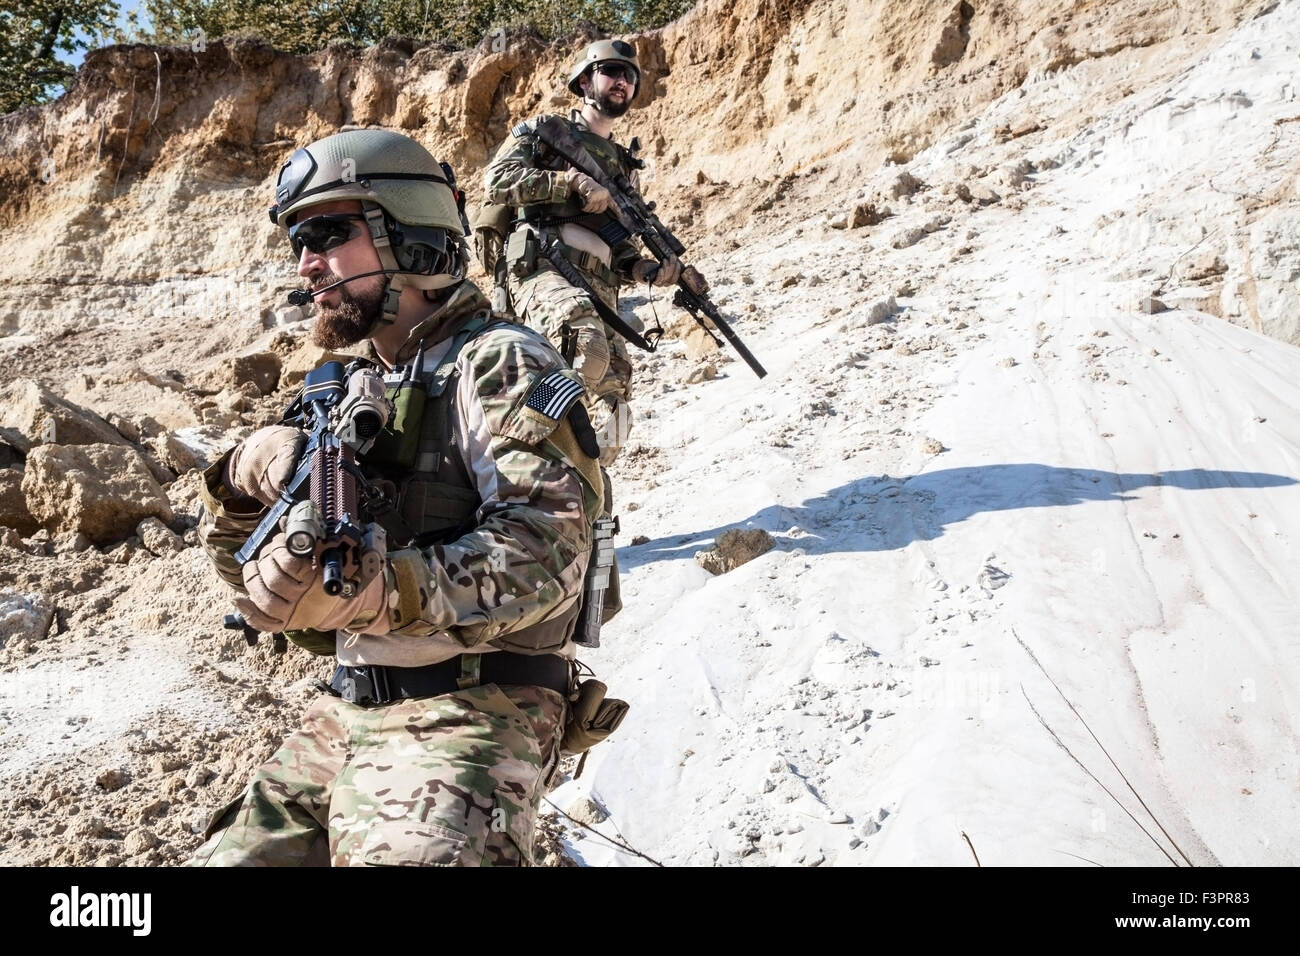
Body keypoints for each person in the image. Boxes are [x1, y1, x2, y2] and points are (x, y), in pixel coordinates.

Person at [188, 128, 608, 867]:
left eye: (326, 232)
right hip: (346, 711)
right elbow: (253, 586)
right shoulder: (346, 390)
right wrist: (240, 483)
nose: (305, 262)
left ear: (408, 229)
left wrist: (381, 592)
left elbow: (550, 553)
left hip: (473, 712)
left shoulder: (501, 361)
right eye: (297, 242)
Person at [481, 38, 707, 469]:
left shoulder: (622, 166)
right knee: (585, 348)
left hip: (599, 284)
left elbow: (620, 248)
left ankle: (586, 511)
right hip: (544, 266)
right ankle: (513, 447)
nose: (622, 81)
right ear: (585, 81)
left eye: (629, 76)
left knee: (616, 408)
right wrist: (568, 184)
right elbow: (497, 179)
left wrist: (647, 270)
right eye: (611, 72)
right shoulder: (548, 132)